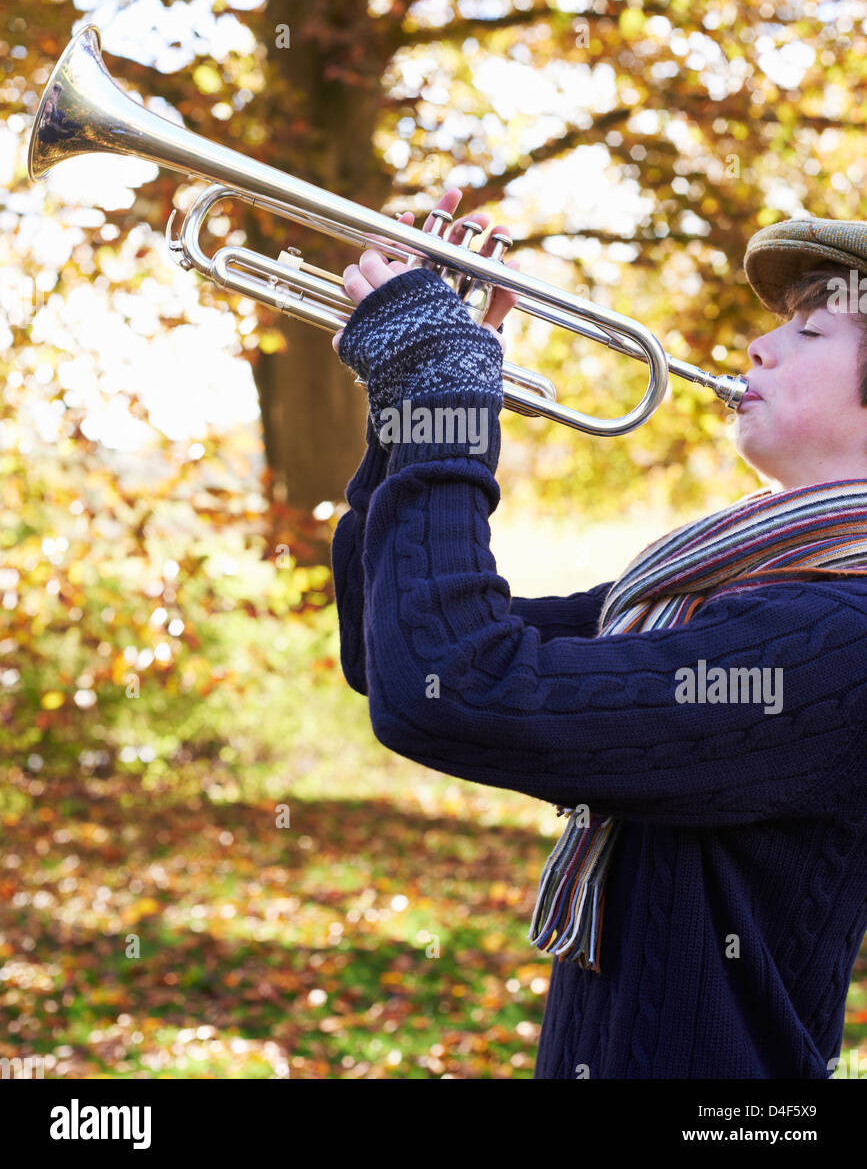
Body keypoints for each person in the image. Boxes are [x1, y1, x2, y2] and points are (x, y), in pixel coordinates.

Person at [329, 193, 867, 1080]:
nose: (758, 346)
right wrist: (414, 405)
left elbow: (461, 688)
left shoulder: (829, 642)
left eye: (810, 335)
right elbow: (395, 656)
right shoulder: (723, 589)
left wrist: (446, 382)